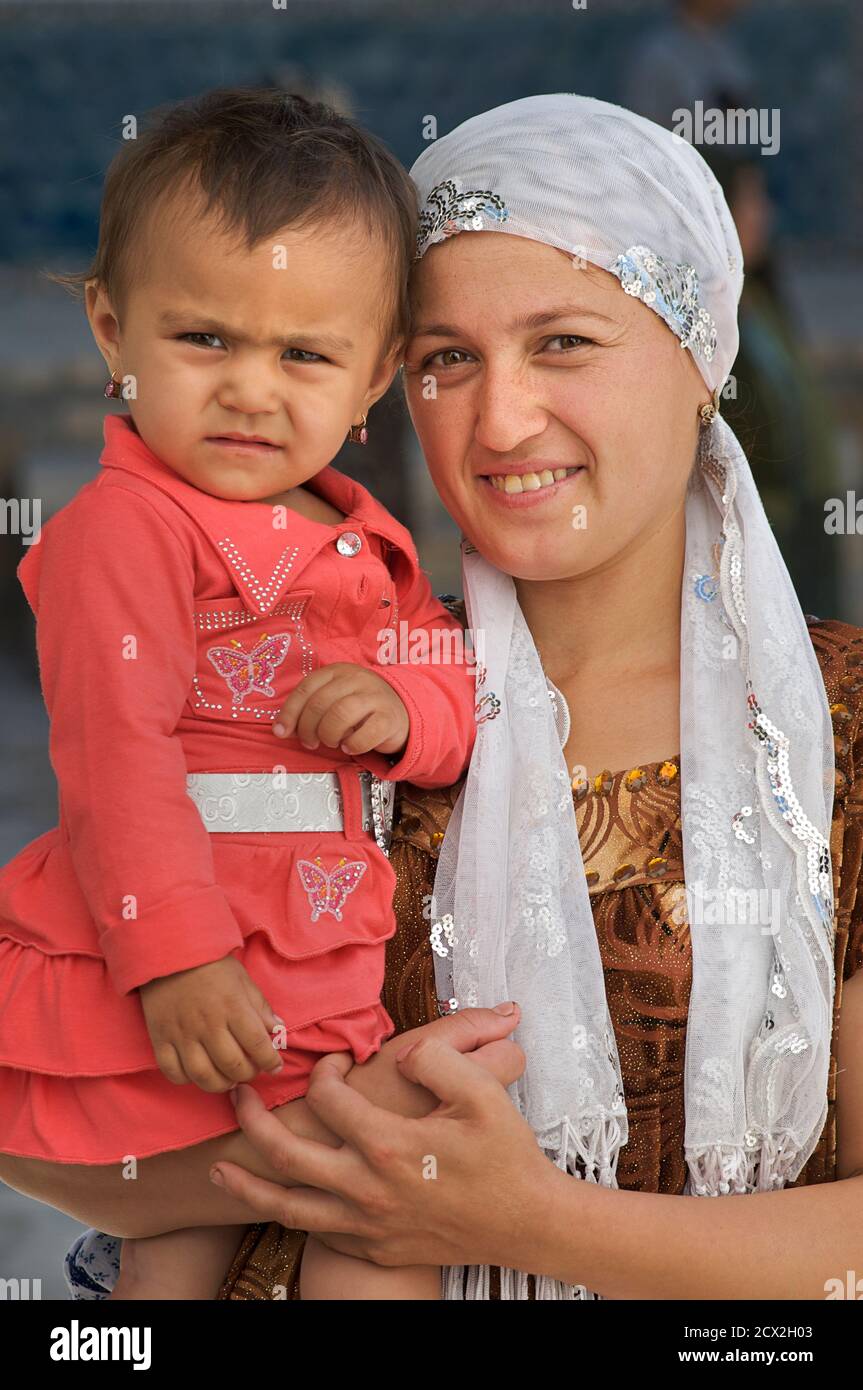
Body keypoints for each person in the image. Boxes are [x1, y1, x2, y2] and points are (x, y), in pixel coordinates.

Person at [68, 93, 863, 1302]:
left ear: (700, 356)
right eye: (447, 359)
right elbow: (57, 1129)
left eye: (563, 343)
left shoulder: (839, 730)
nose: (499, 419)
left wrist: (534, 1222)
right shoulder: (300, 694)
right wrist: (354, 1145)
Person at [0, 86, 497, 1302]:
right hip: (171, 971)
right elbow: (113, 756)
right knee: (167, 1253)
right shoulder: (125, 530)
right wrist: (173, 960)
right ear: (113, 331)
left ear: (376, 373)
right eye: (203, 339)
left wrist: (400, 700)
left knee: (365, 1231)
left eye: (304, 354)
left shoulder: (360, 533)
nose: (251, 390)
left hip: (317, 976)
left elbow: (452, 672)